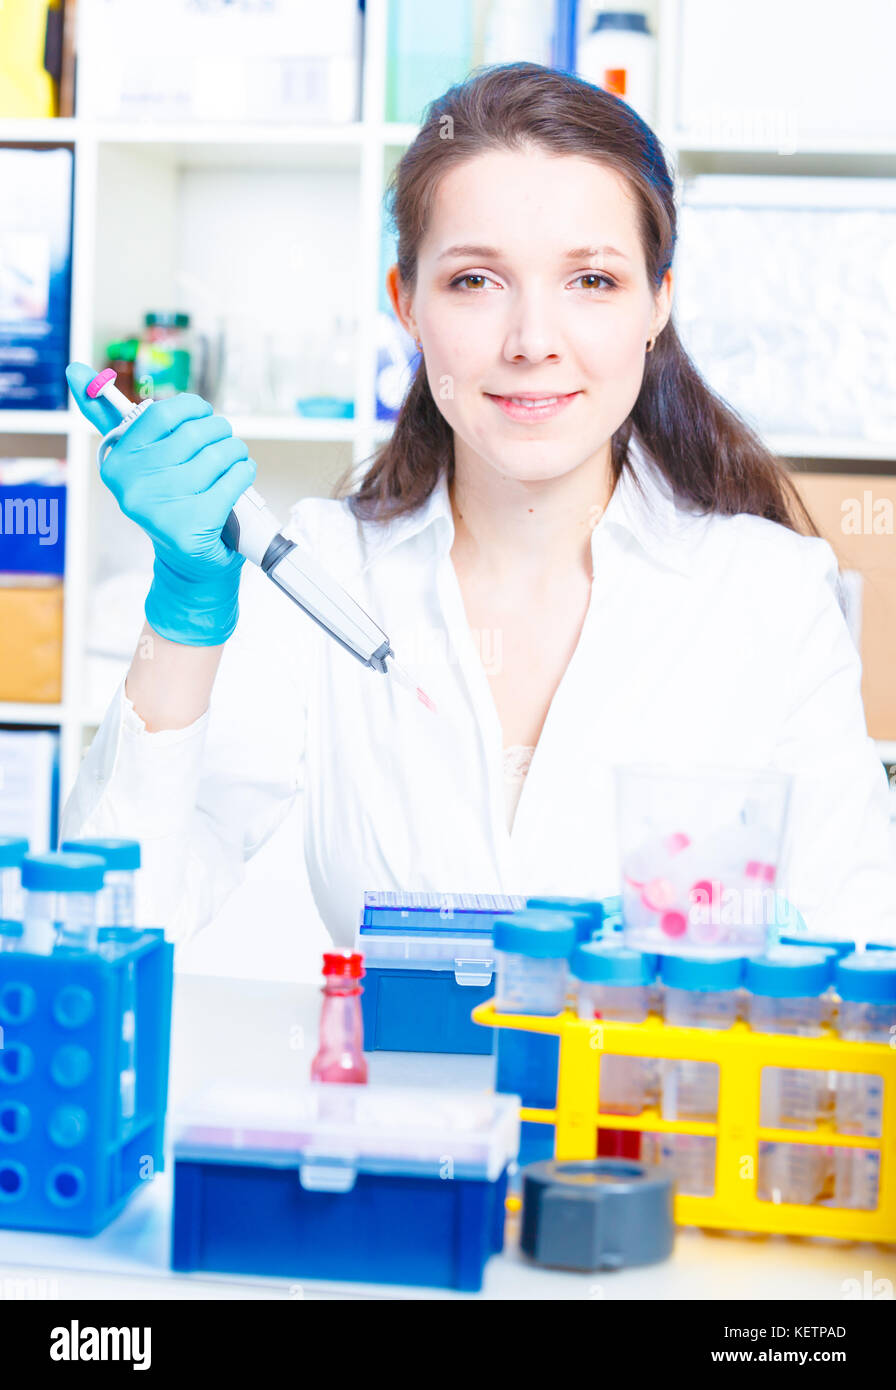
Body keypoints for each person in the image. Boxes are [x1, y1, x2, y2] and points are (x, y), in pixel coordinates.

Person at [61, 63, 896, 949]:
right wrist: (184, 623)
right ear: (407, 307)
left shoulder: (768, 591)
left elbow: (865, 945)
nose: (533, 342)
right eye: (474, 281)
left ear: (659, 304)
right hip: (387, 1090)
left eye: (593, 281)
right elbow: (103, 927)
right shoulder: (318, 572)